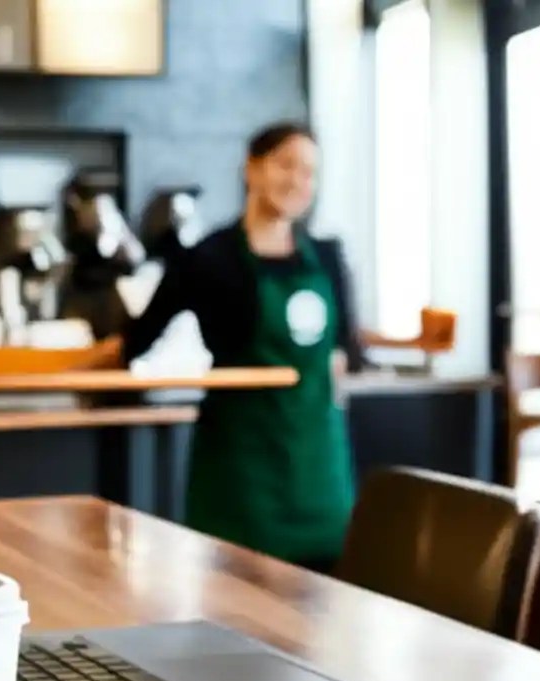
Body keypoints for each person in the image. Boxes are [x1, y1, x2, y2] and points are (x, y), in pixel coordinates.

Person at [109, 122, 363, 572]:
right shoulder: (208, 259)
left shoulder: (327, 257)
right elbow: (138, 341)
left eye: (310, 172)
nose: (298, 182)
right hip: (241, 478)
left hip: (319, 473)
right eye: (286, 165)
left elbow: (349, 350)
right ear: (252, 168)